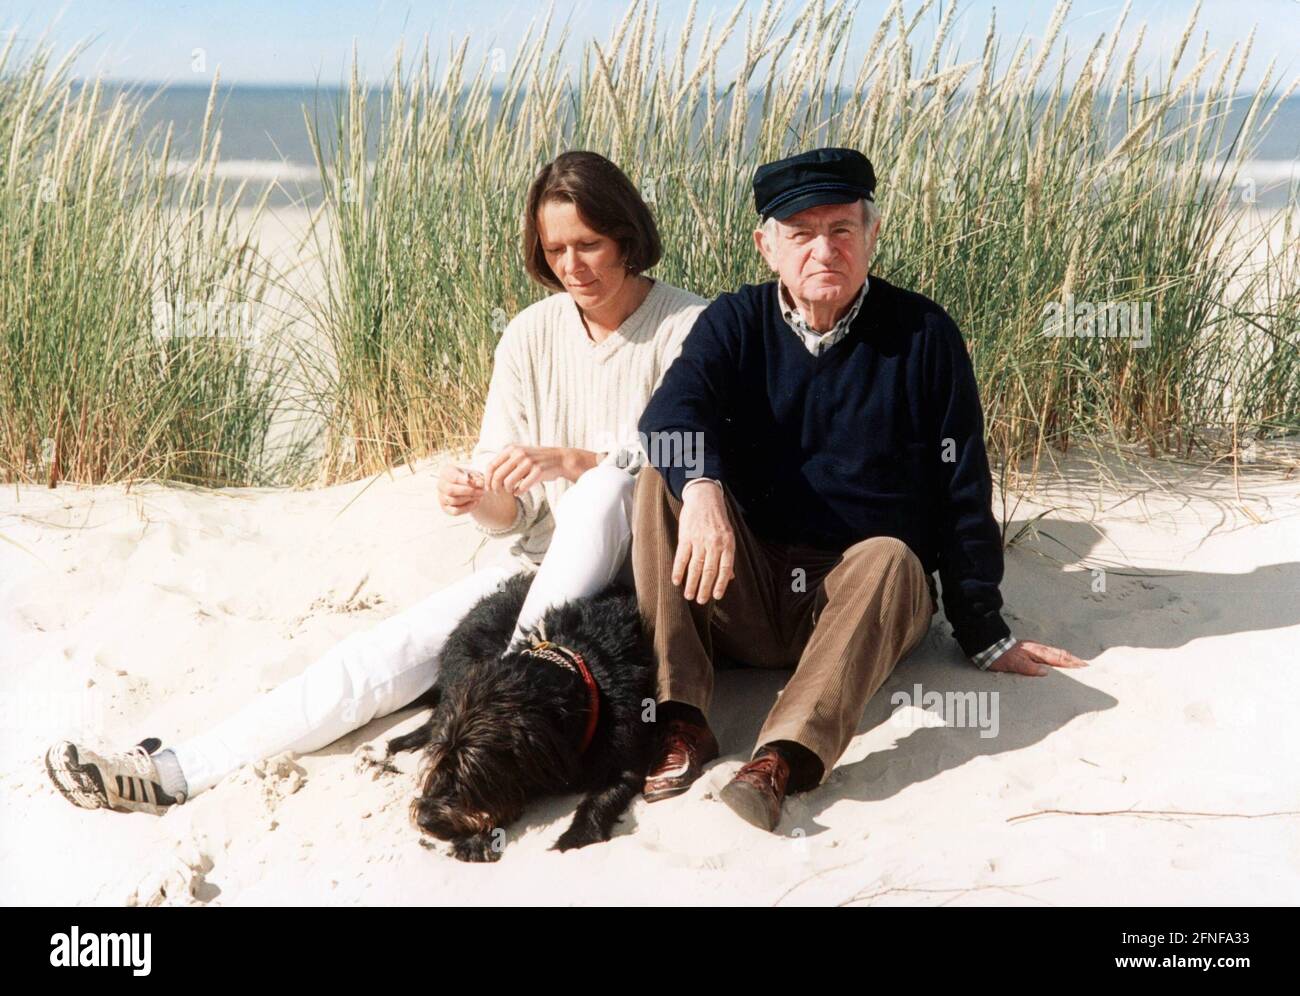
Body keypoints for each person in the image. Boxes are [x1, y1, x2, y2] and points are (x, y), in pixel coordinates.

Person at [45, 150, 706, 815]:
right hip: (539, 583)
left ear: (626, 234)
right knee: (379, 654)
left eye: (588, 244)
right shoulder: (528, 336)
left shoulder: (690, 326)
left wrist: (577, 461)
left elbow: (692, 463)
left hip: (641, 590)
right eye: (555, 248)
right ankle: (178, 770)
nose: (571, 266)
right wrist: (483, 498)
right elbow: (516, 513)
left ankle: (503, 689)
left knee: (604, 489)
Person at [633, 147, 1088, 832]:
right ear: (767, 247)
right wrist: (702, 490)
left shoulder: (925, 336)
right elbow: (669, 416)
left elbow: (964, 486)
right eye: (801, 234)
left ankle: (781, 758)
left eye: (842, 230)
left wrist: (984, 631)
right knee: (662, 476)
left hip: (857, 609)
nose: (824, 250)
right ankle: (682, 719)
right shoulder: (733, 322)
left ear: (872, 236)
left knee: (893, 558)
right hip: (748, 592)